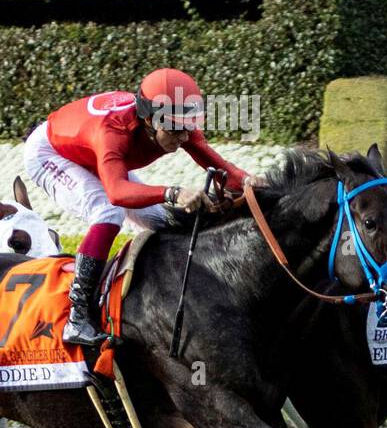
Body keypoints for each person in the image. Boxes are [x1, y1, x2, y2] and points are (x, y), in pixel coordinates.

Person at [24, 68, 260, 346]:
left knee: (164, 222)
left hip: (92, 152)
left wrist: (252, 181)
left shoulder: (175, 120)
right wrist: (172, 193)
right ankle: (77, 316)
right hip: (49, 153)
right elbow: (117, 193)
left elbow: (223, 169)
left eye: (188, 126)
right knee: (106, 211)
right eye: (175, 129)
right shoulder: (112, 132)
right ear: (149, 119)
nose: (184, 137)